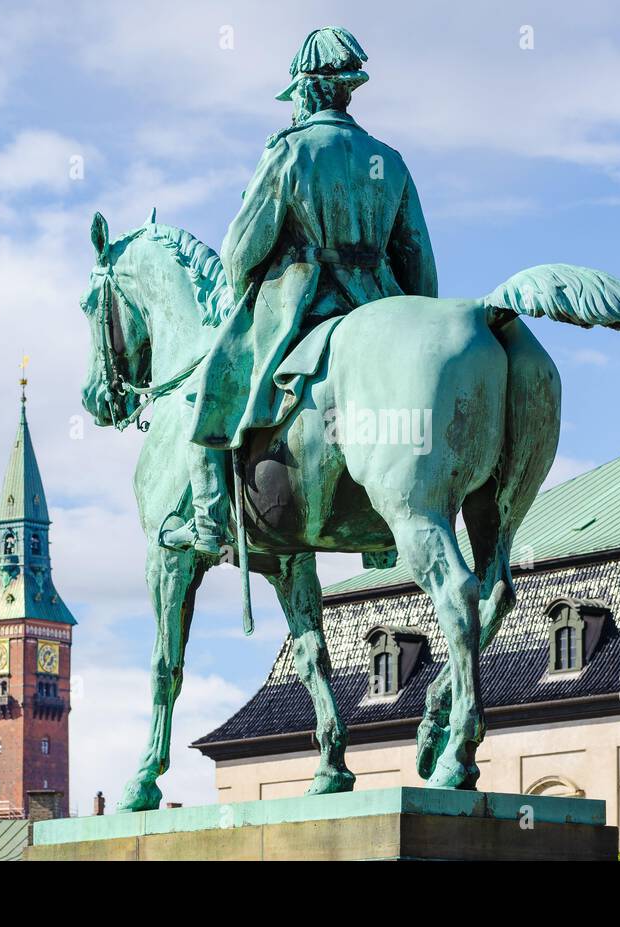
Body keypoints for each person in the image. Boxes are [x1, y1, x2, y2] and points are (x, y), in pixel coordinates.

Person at [165, 26, 437, 556]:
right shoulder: (390, 159)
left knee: (205, 391)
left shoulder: (290, 152)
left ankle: (206, 523)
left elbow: (240, 251)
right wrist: (407, 313)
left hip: (302, 302)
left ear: (307, 91)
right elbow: (418, 259)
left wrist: (250, 286)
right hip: (377, 301)